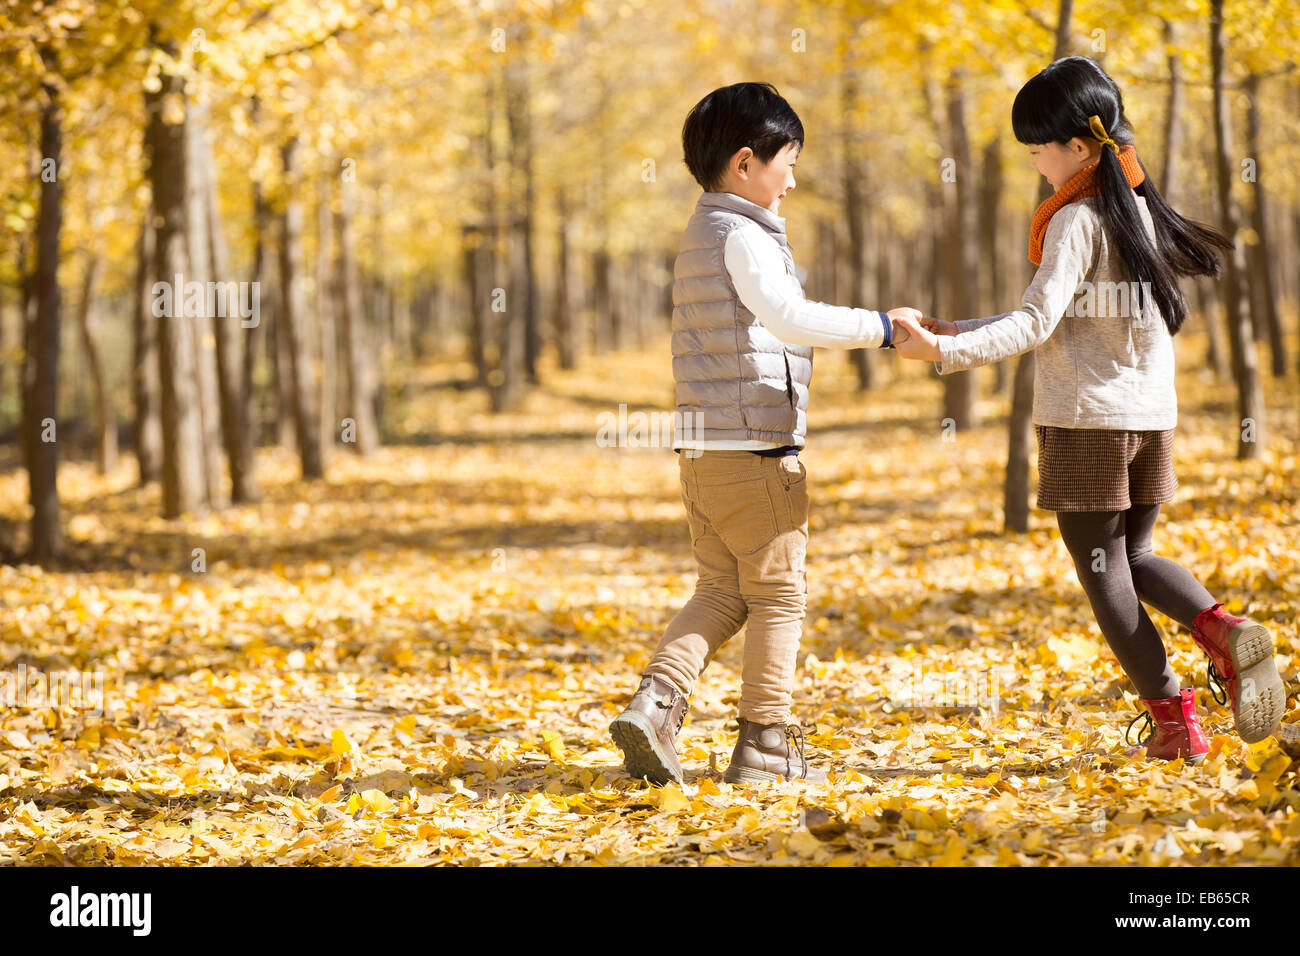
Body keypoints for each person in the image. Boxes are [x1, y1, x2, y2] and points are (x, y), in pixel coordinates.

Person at [894, 56, 1285, 762]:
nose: (1034, 161)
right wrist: (957, 328)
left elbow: (1038, 325)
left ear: (1078, 145)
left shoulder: (1076, 218)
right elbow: (1066, 316)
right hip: (1148, 418)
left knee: (1104, 573)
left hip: (1085, 425)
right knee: (1135, 554)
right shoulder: (1138, 208)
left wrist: (942, 357)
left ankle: (1177, 723)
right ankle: (1222, 631)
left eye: (1039, 147)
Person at [609, 81, 920, 785]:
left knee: (721, 590)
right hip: (755, 454)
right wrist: (881, 330)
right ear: (745, 164)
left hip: (704, 453)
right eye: (788, 161)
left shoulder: (700, 232)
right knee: (779, 593)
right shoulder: (742, 236)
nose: (794, 178)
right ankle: (765, 743)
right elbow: (788, 316)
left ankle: (656, 704)